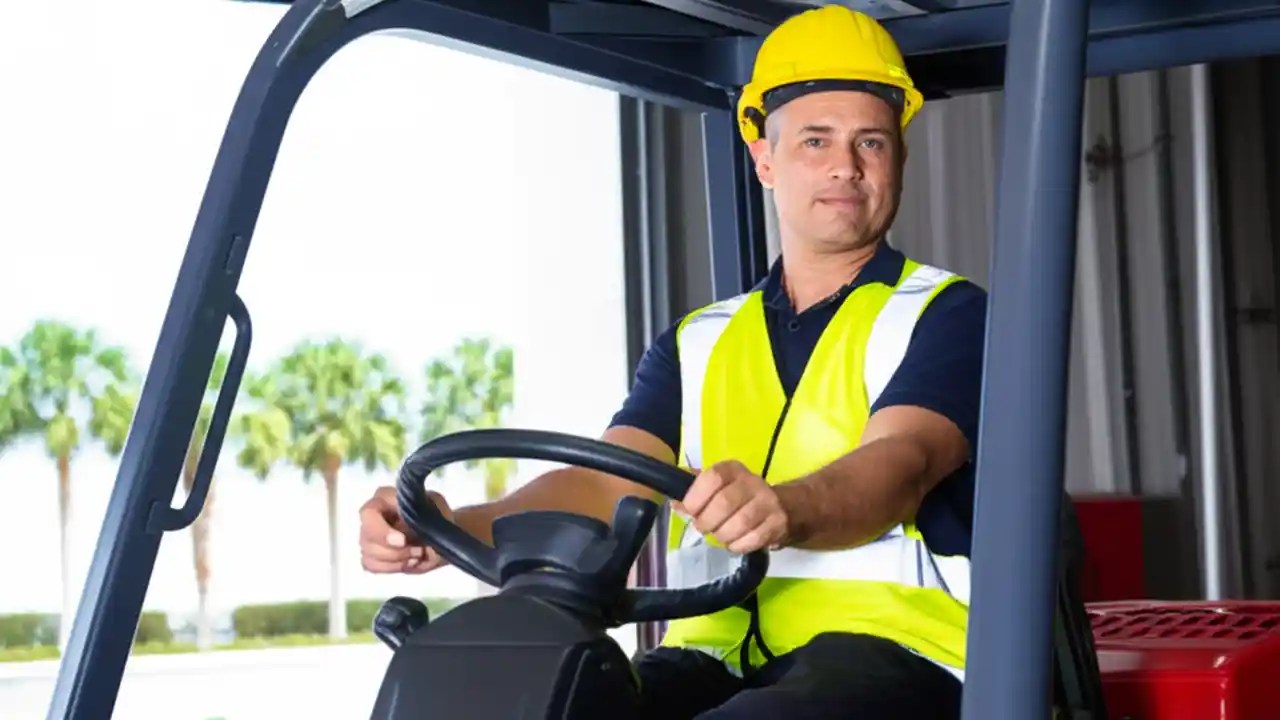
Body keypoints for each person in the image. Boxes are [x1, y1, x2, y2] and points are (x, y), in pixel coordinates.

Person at [359, 6, 986, 719]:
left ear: (897, 161)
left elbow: (899, 466)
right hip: (710, 656)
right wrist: (453, 527)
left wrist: (788, 507)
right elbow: (604, 483)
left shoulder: (947, 313)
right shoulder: (697, 341)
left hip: (892, 658)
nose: (846, 165)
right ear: (765, 160)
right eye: (816, 140)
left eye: (870, 141)